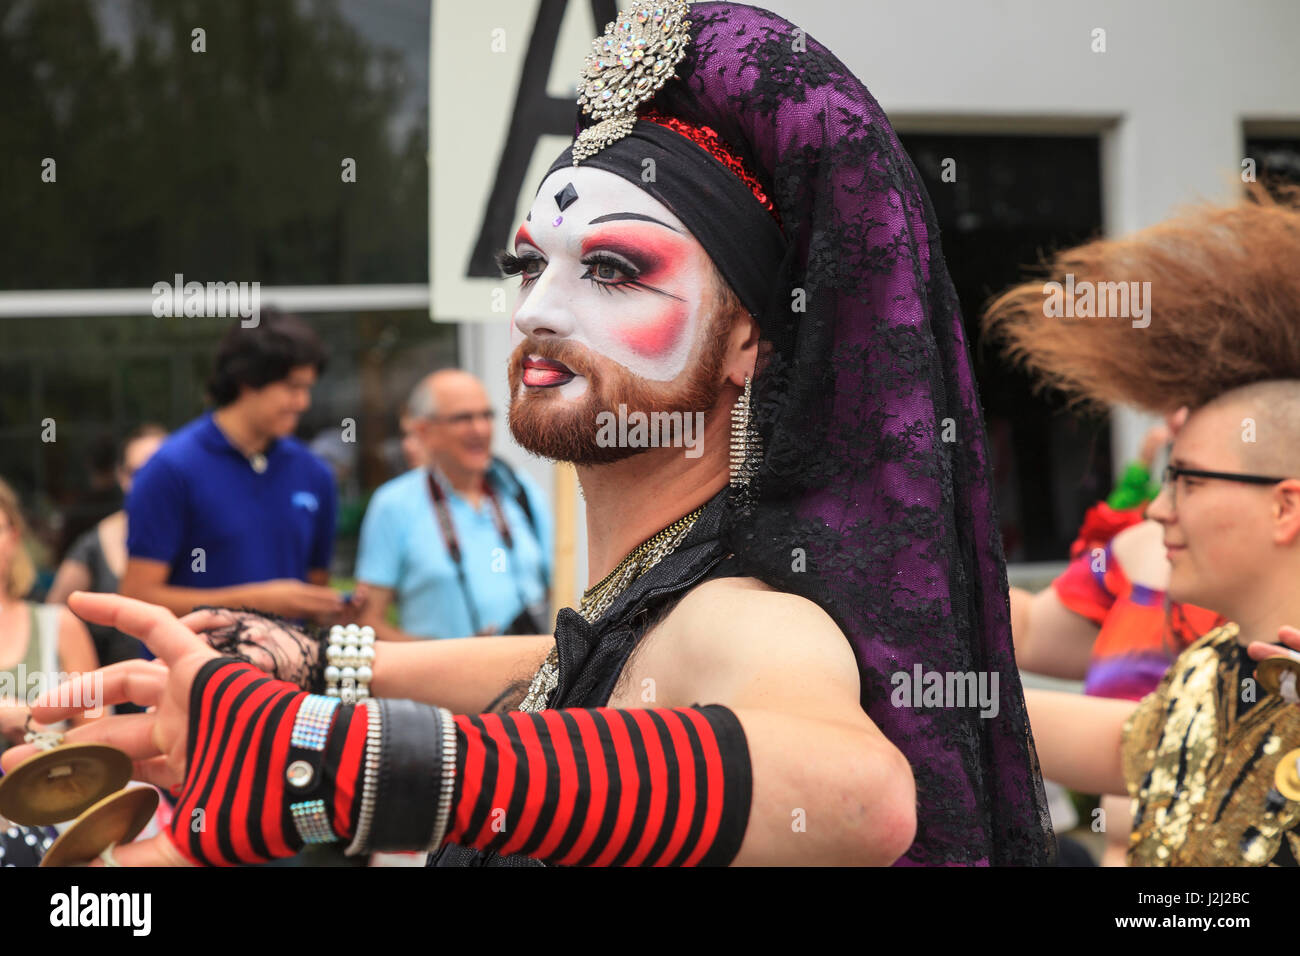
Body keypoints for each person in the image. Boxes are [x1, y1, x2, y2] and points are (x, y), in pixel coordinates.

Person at [5, 0, 1052, 867]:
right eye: (528, 263)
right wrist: (315, 660)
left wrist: (336, 752)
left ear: (749, 343)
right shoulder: (646, 603)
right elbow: (573, 669)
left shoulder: (743, 612)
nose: (535, 310)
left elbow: (860, 798)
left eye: (611, 267)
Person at [982, 185, 1300, 864]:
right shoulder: (1210, 671)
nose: (1157, 508)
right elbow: (1106, 741)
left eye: (1187, 480)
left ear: (1285, 506)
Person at [118, 311, 345, 624]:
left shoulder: (314, 474)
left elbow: (313, 593)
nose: (303, 402)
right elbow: (138, 599)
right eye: (292, 388)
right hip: (196, 671)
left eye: (308, 388)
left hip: (287, 672)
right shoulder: (169, 470)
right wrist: (255, 603)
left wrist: (343, 609)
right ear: (247, 381)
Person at [354, 370, 552, 641]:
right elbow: (368, 623)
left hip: (531, 677)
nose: (480, 429)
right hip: (441, 682)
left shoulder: (519, 489)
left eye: (486, 416)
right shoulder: (393, 505)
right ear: (425, 431)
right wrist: (456, 660)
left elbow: (557, 588)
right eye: (463, 418)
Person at [48, 424, 168, 672]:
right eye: (137, 474)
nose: (149, 485)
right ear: (121, 476)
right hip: (113, 700)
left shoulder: (205, 542)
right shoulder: (95, 545)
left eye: (160, 473)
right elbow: (50, 623)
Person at [0, 478, 98, 751]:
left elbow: (99, 737)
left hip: (47, 790)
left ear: (14, 537)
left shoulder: (60, 626)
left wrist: (31, 726)